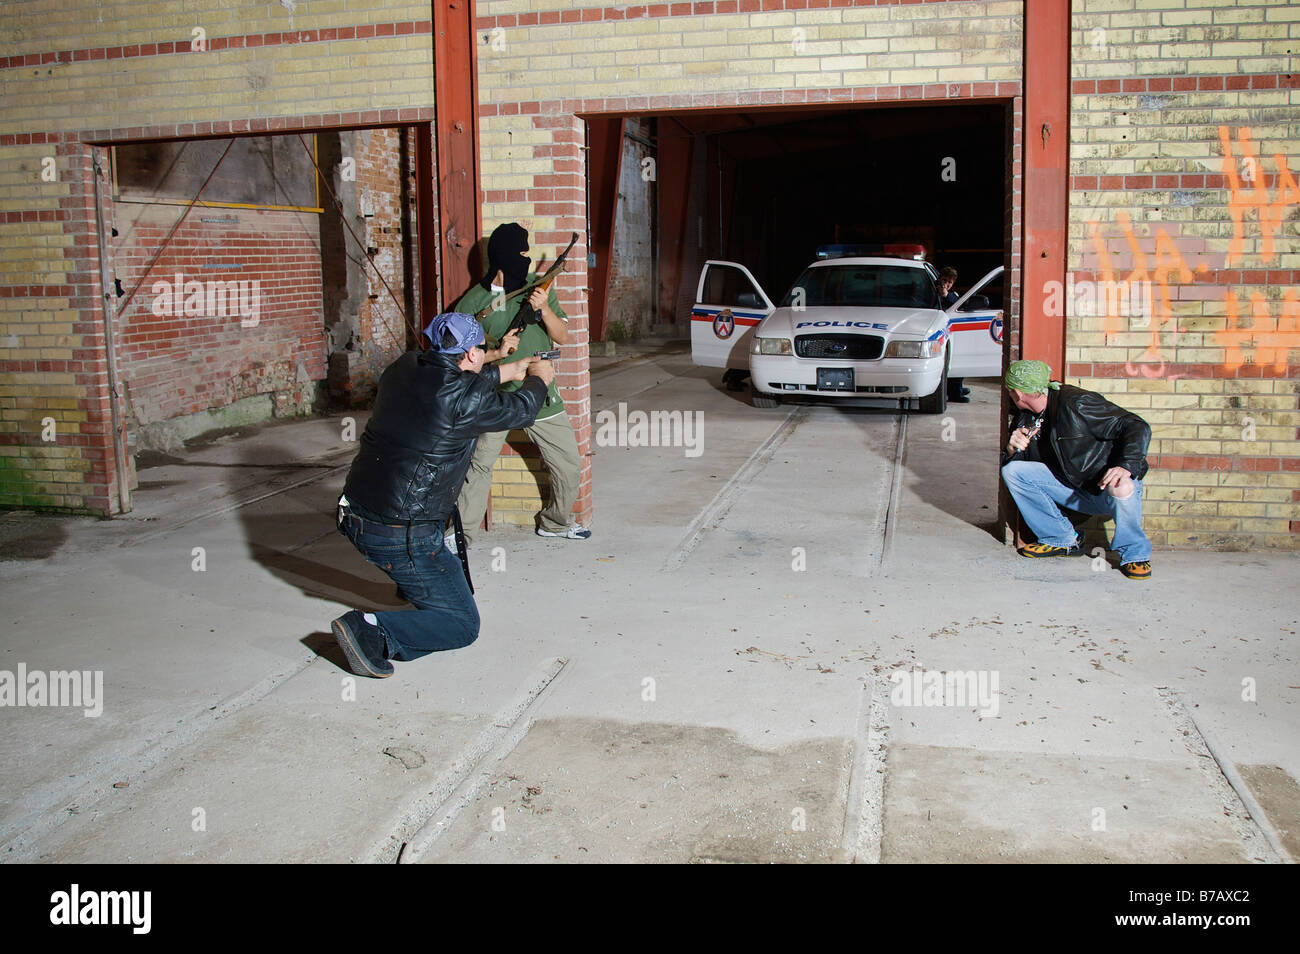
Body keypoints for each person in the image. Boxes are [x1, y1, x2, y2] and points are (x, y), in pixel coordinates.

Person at [330, 312, 555, 678]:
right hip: (401, 535)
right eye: (482, 349)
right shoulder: (465, 399)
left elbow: (448, 385)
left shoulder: (402, 367)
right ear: (469, 355)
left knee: (447, 578)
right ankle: (369, 629)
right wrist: (538, 380)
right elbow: (521, 410)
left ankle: (414, 584)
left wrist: (505, 369)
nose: (485, 353)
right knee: (461, 624)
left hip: (354, 514)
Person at [453, 222, 591, 543]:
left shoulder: (539, 288)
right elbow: (458, 358)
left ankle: (554, 523)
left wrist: (543, 310)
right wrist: (496, 354)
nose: (526, 258)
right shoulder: (476, 301)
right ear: (502, 258)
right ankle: (461, 537)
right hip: (495, 395)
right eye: (520, 252)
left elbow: (563, 336)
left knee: (568, 464)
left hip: (539, 391)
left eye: (527, 251)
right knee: (478, 467)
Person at [1000, 359, 1153, 580]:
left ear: (1017, 392)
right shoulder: (1026, 416)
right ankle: (1061, 539)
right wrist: (1011, 448)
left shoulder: (1077, 403)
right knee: (1013, 471)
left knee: (1123, 485)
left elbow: (1136, 425)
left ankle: (1135, 554)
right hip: (1073, 490)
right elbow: (1017, 462)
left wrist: (1124, 466)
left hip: (1103, 489)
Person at [938, 266, 971, 403]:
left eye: (950, 282)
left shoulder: (953, 295)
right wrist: (942, 294)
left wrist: (946, 294)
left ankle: (957, 388)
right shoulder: (933, 293)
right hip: (941, 334)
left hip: (953, 332)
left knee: (957, 362)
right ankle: (954, 393)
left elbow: (959, 305)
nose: (947, 284)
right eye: (944, 281)